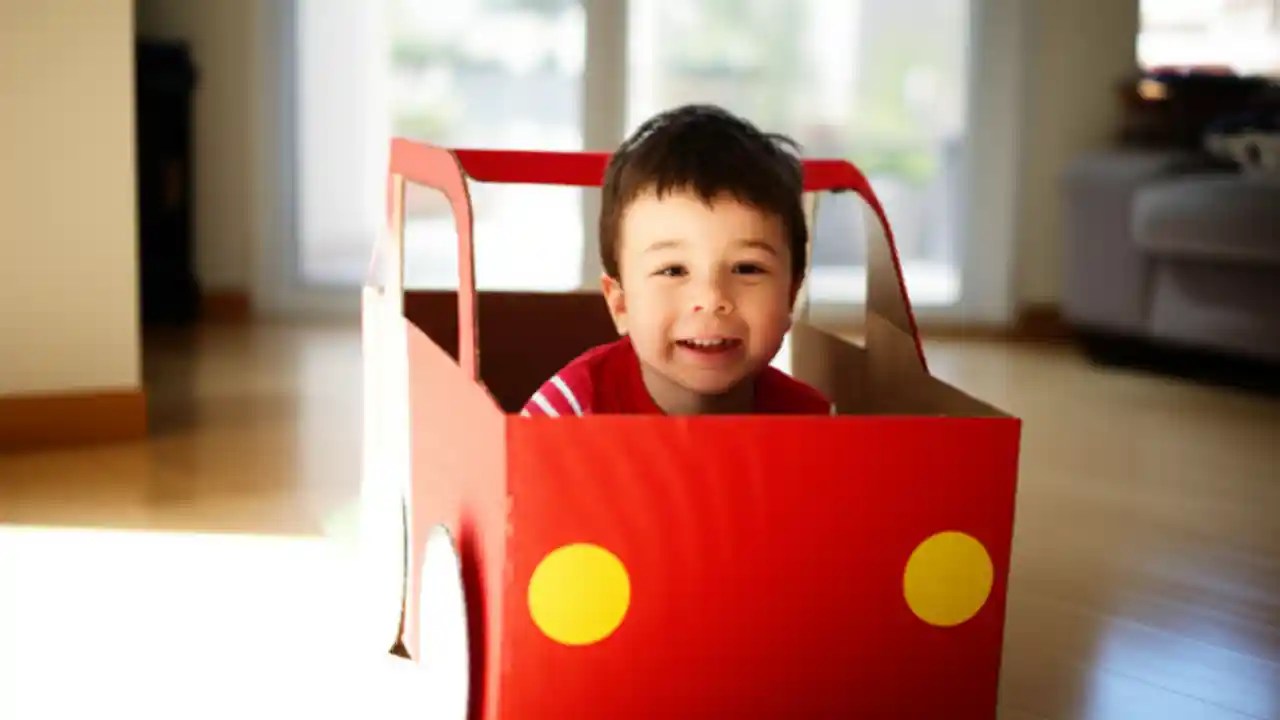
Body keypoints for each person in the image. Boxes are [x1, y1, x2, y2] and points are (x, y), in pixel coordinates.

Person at [521, 104, 832, 417]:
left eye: (747, 268)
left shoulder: (812, 425)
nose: (712, 298)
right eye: (673, 270)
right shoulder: (570, 411)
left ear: (790, 295)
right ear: (621, 305)